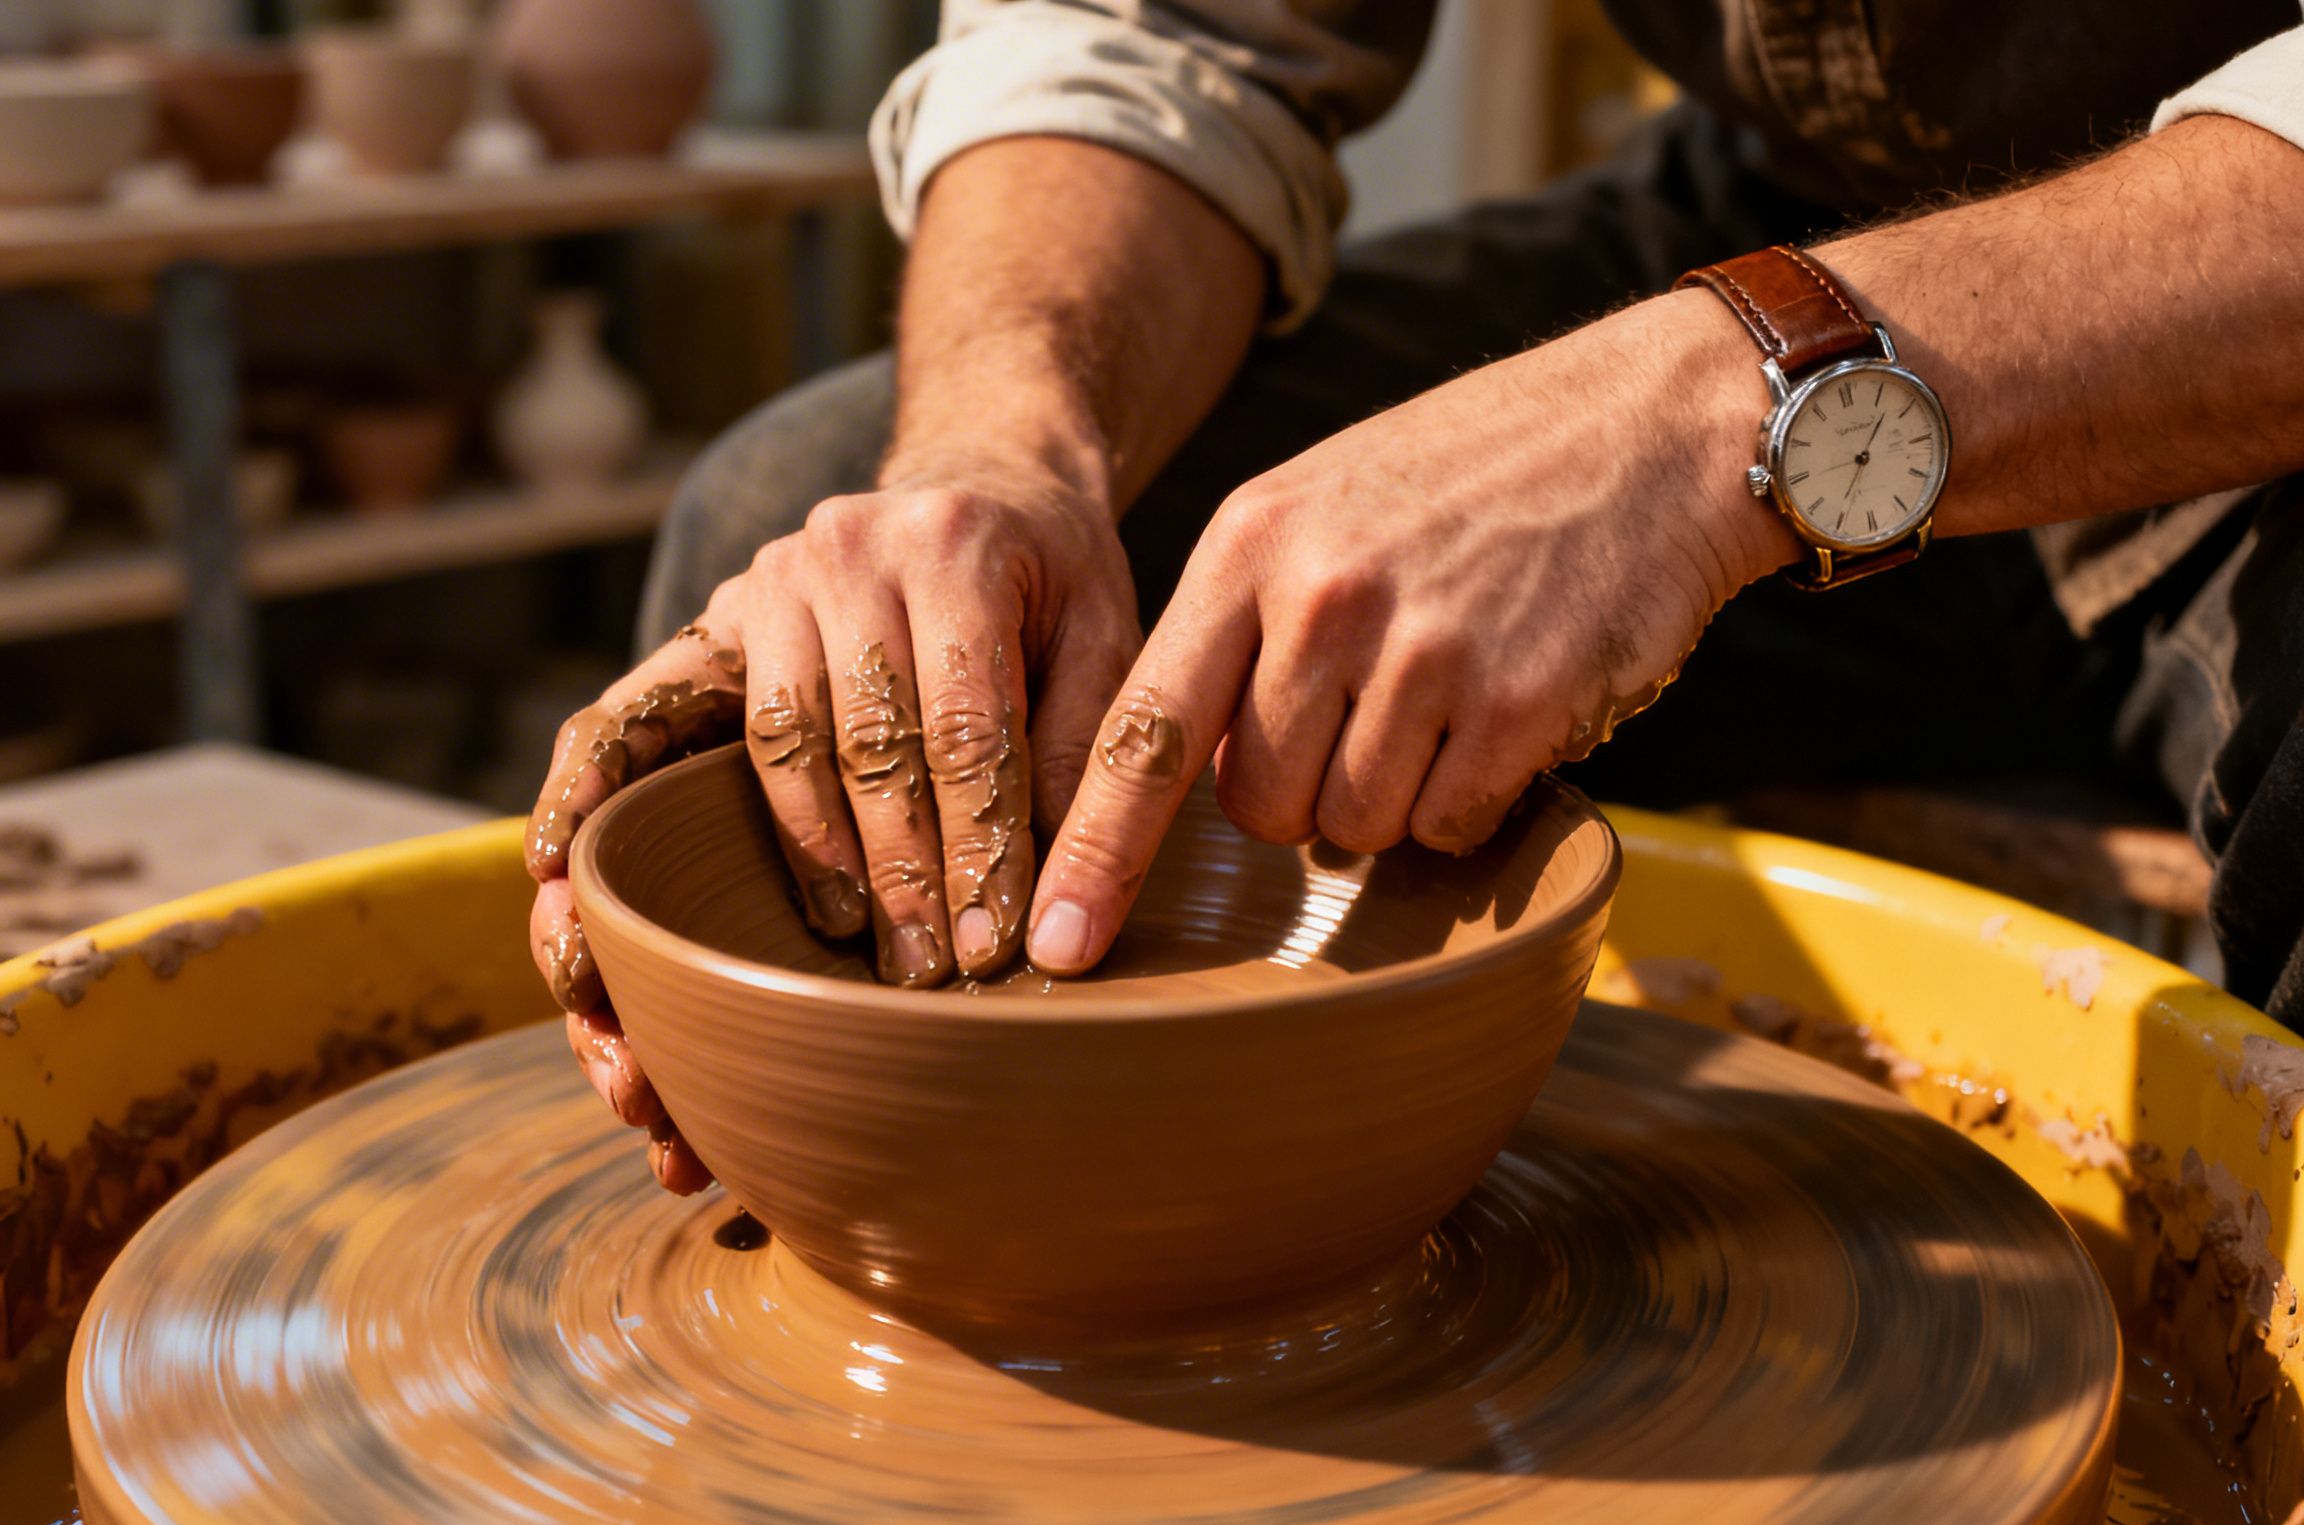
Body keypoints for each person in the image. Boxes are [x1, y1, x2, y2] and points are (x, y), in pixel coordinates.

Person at [527, 1, 2304, 1195]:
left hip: (2238, 291)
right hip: (1798, 210)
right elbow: (1174, 33)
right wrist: (1002, 452)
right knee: (847, 577)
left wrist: (1705, 408)